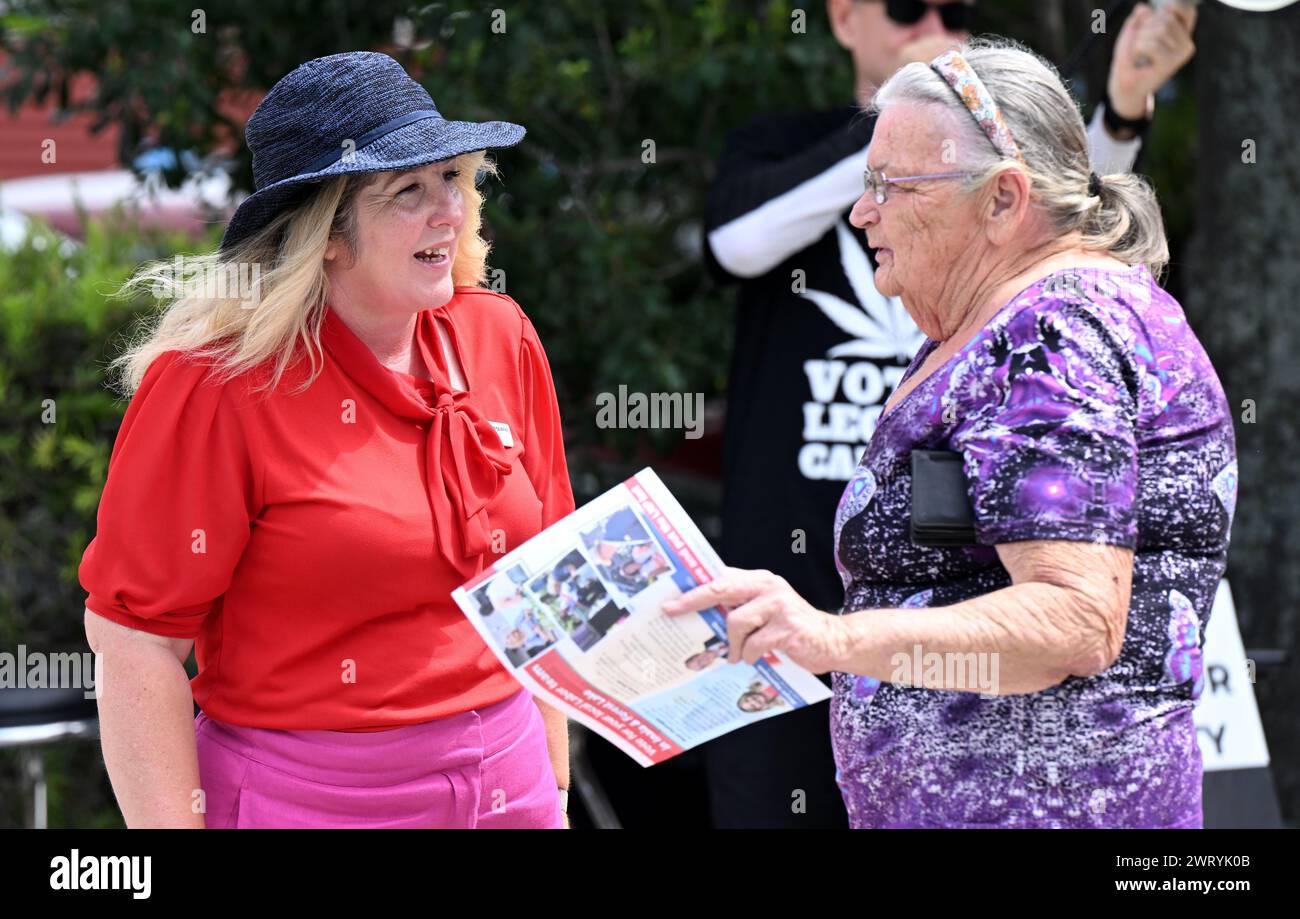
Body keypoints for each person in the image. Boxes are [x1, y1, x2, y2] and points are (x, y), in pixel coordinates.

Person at [671, 37, 1234, 829]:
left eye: (890, 186)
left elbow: (1074, 622)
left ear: (1004, 200)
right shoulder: (1019, 323)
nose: (863, 212)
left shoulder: (1052, 335)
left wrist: (833, 637)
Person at [78, 52, 575, 829]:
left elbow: (544, 582)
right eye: (407, 190)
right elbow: (135, 644)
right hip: (312, 804)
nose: (449, 208)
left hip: (514, 789)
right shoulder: (216, 388)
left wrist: (556, 782)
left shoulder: (498, 334)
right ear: (326, 236)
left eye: (453, 177)